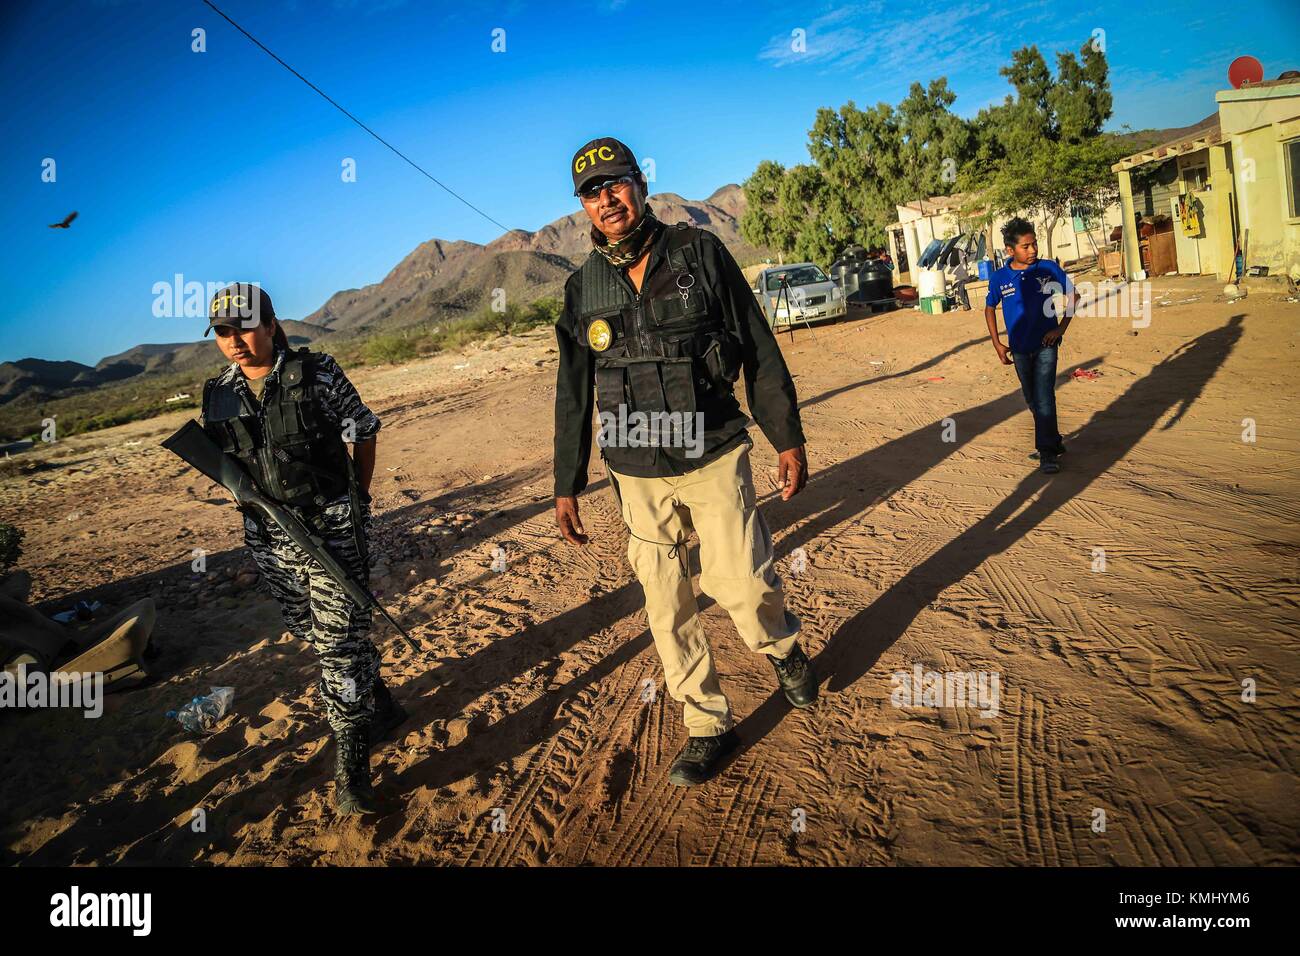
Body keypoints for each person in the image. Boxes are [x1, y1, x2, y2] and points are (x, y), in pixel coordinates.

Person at [553, 137, 817, 786]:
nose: (607, 199)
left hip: (713, 450)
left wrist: (786, 435)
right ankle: (707, 725)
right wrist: (567, 482)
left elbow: (756, 342)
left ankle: (781, 647)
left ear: (641, 185)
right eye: (593, 192)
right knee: (666, 605)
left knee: (743, 583)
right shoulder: (581, 288)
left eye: (617, 184)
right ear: (583, 207)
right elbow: (572, 390)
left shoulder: (699, 253)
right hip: (635, 470)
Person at [198, 283, 406, 815]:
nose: (235, 341)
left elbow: (363, 428)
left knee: (339, 644)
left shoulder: (316, 372)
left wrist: (358, 497)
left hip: (332, 524)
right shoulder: (216, 394)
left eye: (244, 327)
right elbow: (225, 464)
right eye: (223, 333)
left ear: (270, 325)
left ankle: (353, 766)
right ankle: (377, 696)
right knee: (314, 632)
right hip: (270, 538)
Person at [983, 218, 1078, 474]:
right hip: (1019, 349)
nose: (1033, 250)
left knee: (1044, 395)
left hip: (1047, 344)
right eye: (1026, 246)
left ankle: (1047, 453)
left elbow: (1073, 295)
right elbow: (989, 308)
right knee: (1031, 397)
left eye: (1034, 244)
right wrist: (997, 344)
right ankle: (1054, 441)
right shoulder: (1000, 277)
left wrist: (1060, 328)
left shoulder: (1047, 268)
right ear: (1010, 250)